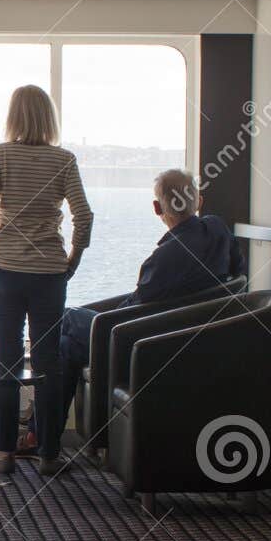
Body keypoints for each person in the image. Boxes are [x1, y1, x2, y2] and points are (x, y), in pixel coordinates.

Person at [52, 167, 247, 437]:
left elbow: (131, 315)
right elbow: (239, 272)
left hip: (142, 344)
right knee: (66, 344)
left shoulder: (163, 259)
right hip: (188, 338)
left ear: (157, 208)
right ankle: (42, 435)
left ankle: (43, 437)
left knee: (62, 319)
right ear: (199, 201)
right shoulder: (217, 229)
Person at [0, 84, 93, 476]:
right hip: (49, 274)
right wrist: (72, 258)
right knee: (48, 363)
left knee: (6, 359)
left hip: (4, 270)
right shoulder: (64, 160)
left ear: (12, 116)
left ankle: (4, 453)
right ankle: (48, 455)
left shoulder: (0, 154)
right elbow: (84, 216)